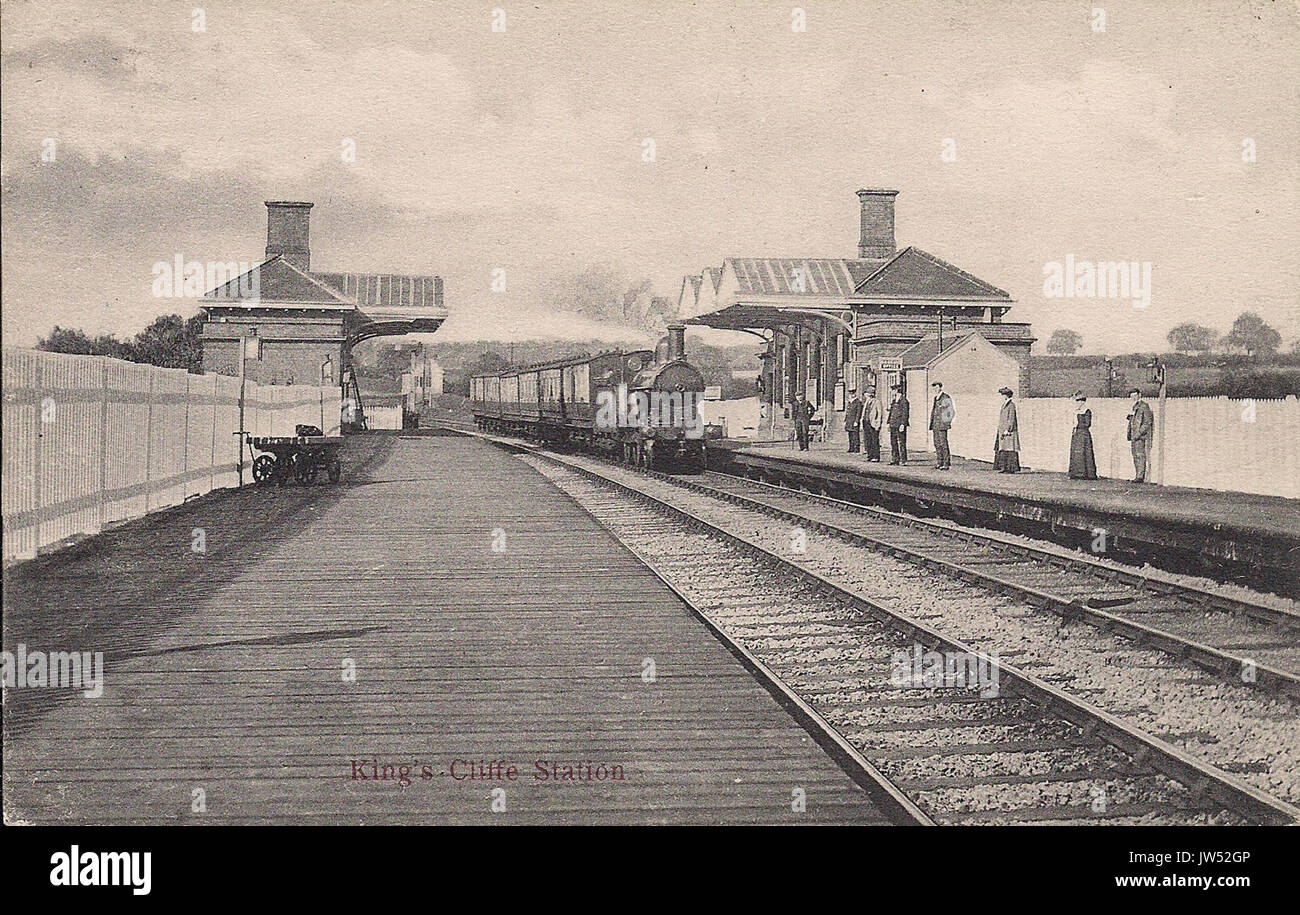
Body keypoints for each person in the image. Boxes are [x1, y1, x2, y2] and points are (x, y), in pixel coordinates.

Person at [1126, 388, 1154, 482]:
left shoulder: (1144, 406)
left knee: (1140, 455)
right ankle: (1137, 475)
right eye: (1132, 396)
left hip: (1139, 436)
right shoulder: (1134, 406)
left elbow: (1147, 422)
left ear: (1139, 395)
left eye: (1135, 395)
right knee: (1135, 455)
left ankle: (1140, 476)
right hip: (1133, 435)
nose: (1133, 398)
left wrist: (1139, 432)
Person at [1068, 391, 1097, 480]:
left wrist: (1078, 425)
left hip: (1083, 434)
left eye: (1078, 401)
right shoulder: (1076, 411)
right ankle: (1076, 472)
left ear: (1082, 401)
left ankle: (1085, 473)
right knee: (1076, 453)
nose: (1076, 403)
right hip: (1076, 434)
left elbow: (1088, 424)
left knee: (1084, 453)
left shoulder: (1086, 411)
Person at [929, 381, 955, 470]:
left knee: (943, 444)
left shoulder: (945, 397)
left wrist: (946, 422)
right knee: (936, 444)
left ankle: (946, 463)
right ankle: (939, 462)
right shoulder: (936, 398)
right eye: (933, 388)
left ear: (940, 387)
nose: (935, 390)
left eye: (936, 388)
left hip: (942, 425)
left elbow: (951, 412)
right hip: (935, 424)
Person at [994, 386, 1020, 473]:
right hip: (1003, 431)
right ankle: (1004, 467)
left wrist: (1008, 430)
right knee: (1004, 450)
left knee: (1010, 450)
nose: (1002, 396)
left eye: (1003, 394)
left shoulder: (1011, 405)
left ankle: (1011, 468)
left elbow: (1011, 419)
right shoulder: (1004, 404)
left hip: (1009, 432)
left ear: (1006, 395)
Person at [887, 385, 909, 465]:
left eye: (893, 390)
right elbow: (891, 413)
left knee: (901, 442)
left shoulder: (904, 401)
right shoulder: (894, 401)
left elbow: (905, 413)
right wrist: (888, 423)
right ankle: (895, 459)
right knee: (893, 442)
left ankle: (903, 460)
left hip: (900, 425)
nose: (892, 392)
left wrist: (903, 424)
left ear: (897, 391)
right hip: (893, 424)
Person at [864, 388, 883, 461]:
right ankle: (870, 455)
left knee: (874, 440)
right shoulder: (867, 402)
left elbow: (879, 413)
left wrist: (878, 423)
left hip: (873, 423)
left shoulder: (877, 402)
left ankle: (876, 456)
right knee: (868, 440)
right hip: (866, 422)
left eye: (867, 394)